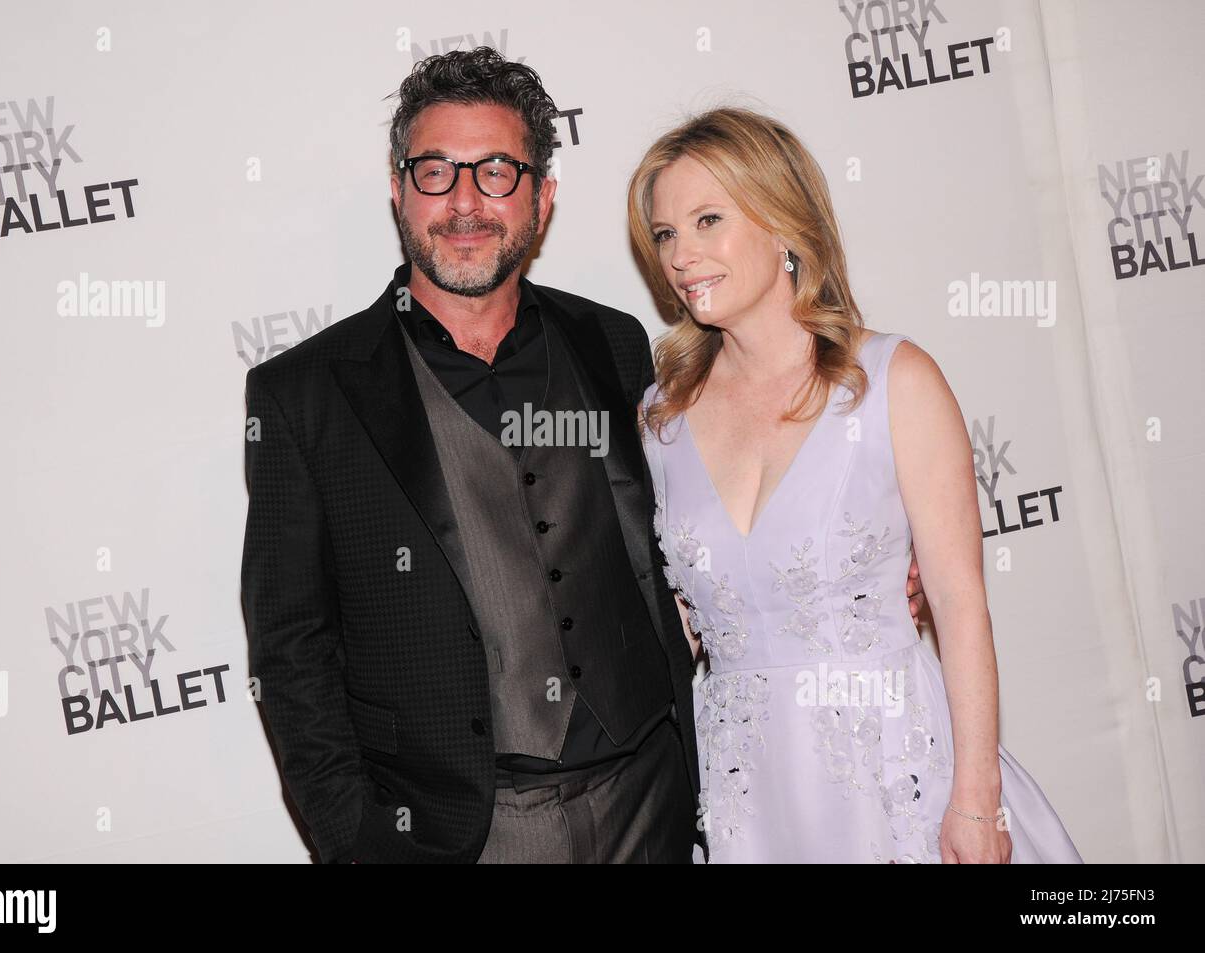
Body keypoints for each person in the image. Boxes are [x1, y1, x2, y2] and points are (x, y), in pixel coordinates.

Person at [241, 48, 926, 864]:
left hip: (655, 801)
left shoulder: (613, 343)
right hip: (461, 833)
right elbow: (291, 650)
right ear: (398, 189)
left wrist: (860, 570)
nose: (465, 202)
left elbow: (695, 522)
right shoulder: (305, 394)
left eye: (496, 171)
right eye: (435, 172)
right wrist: (356, 841)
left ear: (542, 197)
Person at [631, 106, 1083, 863]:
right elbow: (682, 618)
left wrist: (975, 800)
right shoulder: (661, 416)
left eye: (708, 220)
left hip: (895, 770)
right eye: (668, 233)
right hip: (749, 796)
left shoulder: (893, 382)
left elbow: (960, 604)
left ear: (783, 224)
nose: (682, 255)